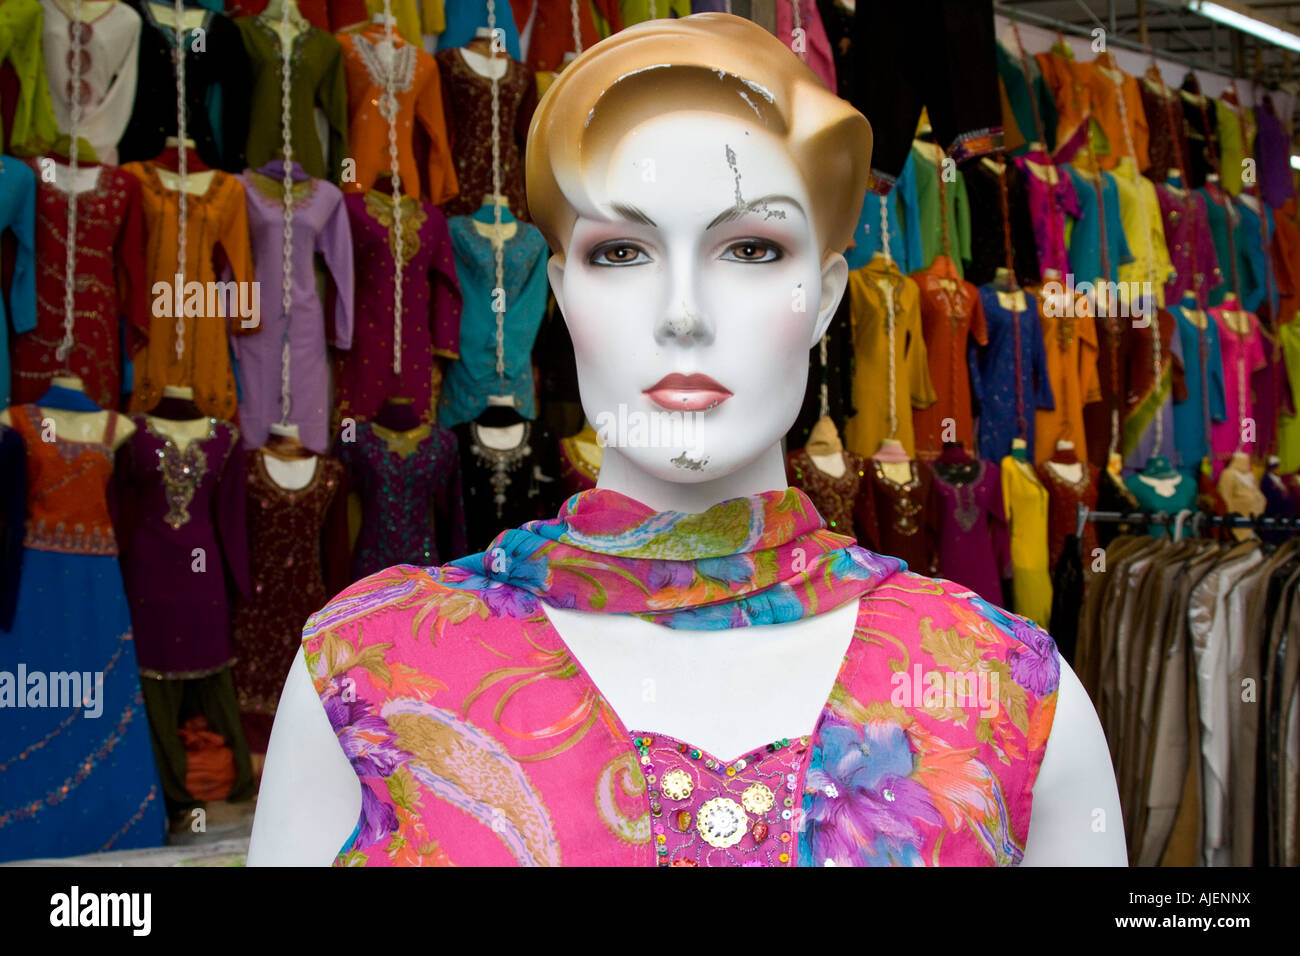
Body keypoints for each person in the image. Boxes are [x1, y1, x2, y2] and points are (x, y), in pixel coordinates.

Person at [249, 12, 1125, 867]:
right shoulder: (368, 672)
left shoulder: (1008, 695)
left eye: (749, 250)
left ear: (823, 297)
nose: (683, 314)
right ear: (562, 293)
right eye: (621, 253)